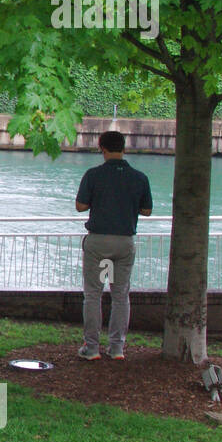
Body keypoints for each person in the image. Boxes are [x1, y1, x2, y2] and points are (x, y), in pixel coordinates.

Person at [75, 130, 153, 360]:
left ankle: (91, 348)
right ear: (124, 148)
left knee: (93, 295)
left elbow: (80, 206)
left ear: (102, 148)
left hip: (98, 241)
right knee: (120, 296)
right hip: (124, 242)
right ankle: (117, 348)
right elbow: (147, 211)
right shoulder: (140, 178)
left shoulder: (93, 175)